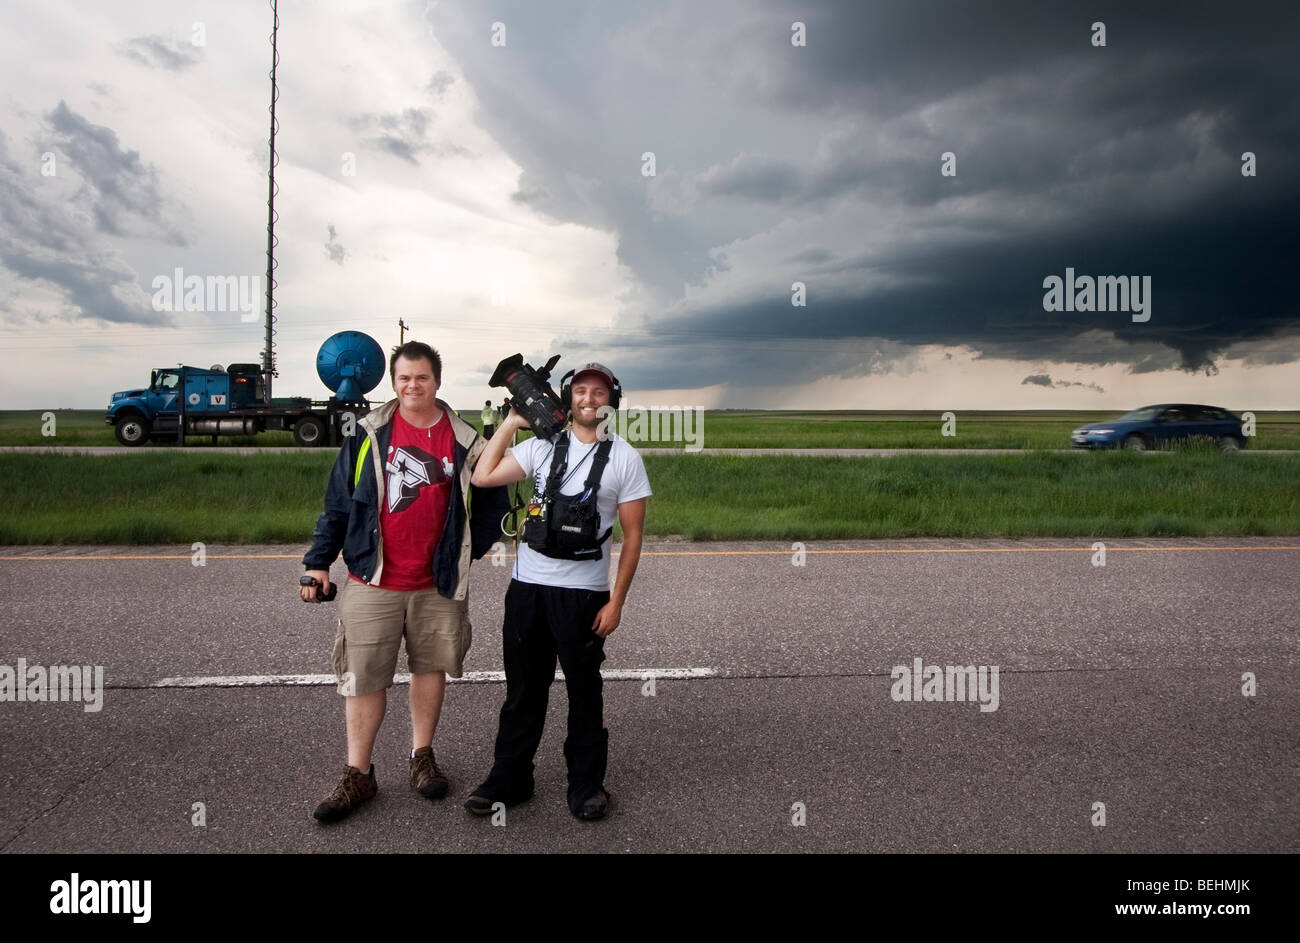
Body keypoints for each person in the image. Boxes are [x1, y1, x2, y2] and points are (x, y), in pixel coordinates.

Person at [300, 340, 508, 823]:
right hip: (373, 578)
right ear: (393, 383)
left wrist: (465, 552)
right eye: (404, 378)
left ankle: (422, 756)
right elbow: (338, 503)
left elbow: (494, 501)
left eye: (422, 377)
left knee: (430, 667)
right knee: (363, 675)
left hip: (436, 583)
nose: (413, 386)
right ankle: (358, 772)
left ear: (438, 381)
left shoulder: (464, 439)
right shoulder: (369, 433)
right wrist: (317, 563)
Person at [464, 362, 651, 821]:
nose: (590, 399)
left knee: (585, 691)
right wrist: (511, 421)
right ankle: (511, 776)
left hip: (583, 595)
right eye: (581, 391)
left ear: (612, 401)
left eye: (599, 392)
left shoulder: (625, 457)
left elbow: (633, 538)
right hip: (528, 589)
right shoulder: (541, 448)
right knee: (524, 690)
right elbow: (482, 476)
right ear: (568, 398)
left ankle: (586, 784)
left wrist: (616, 600)